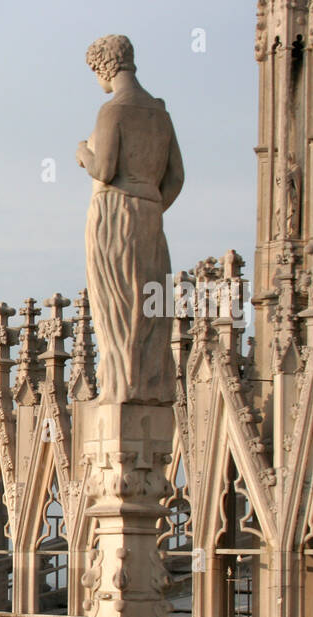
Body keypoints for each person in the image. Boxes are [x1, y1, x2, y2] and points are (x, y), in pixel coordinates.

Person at [77, 35, 184, 405]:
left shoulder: (114, 111)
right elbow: (175, 180)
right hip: (149, 220)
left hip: (114, 220)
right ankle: (149, 384)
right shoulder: (159, 113)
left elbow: (104, 169)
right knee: (149, 305)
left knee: (118, 308)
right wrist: (149, 206)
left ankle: (118, 387)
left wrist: (82, 152)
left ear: (103, 67)